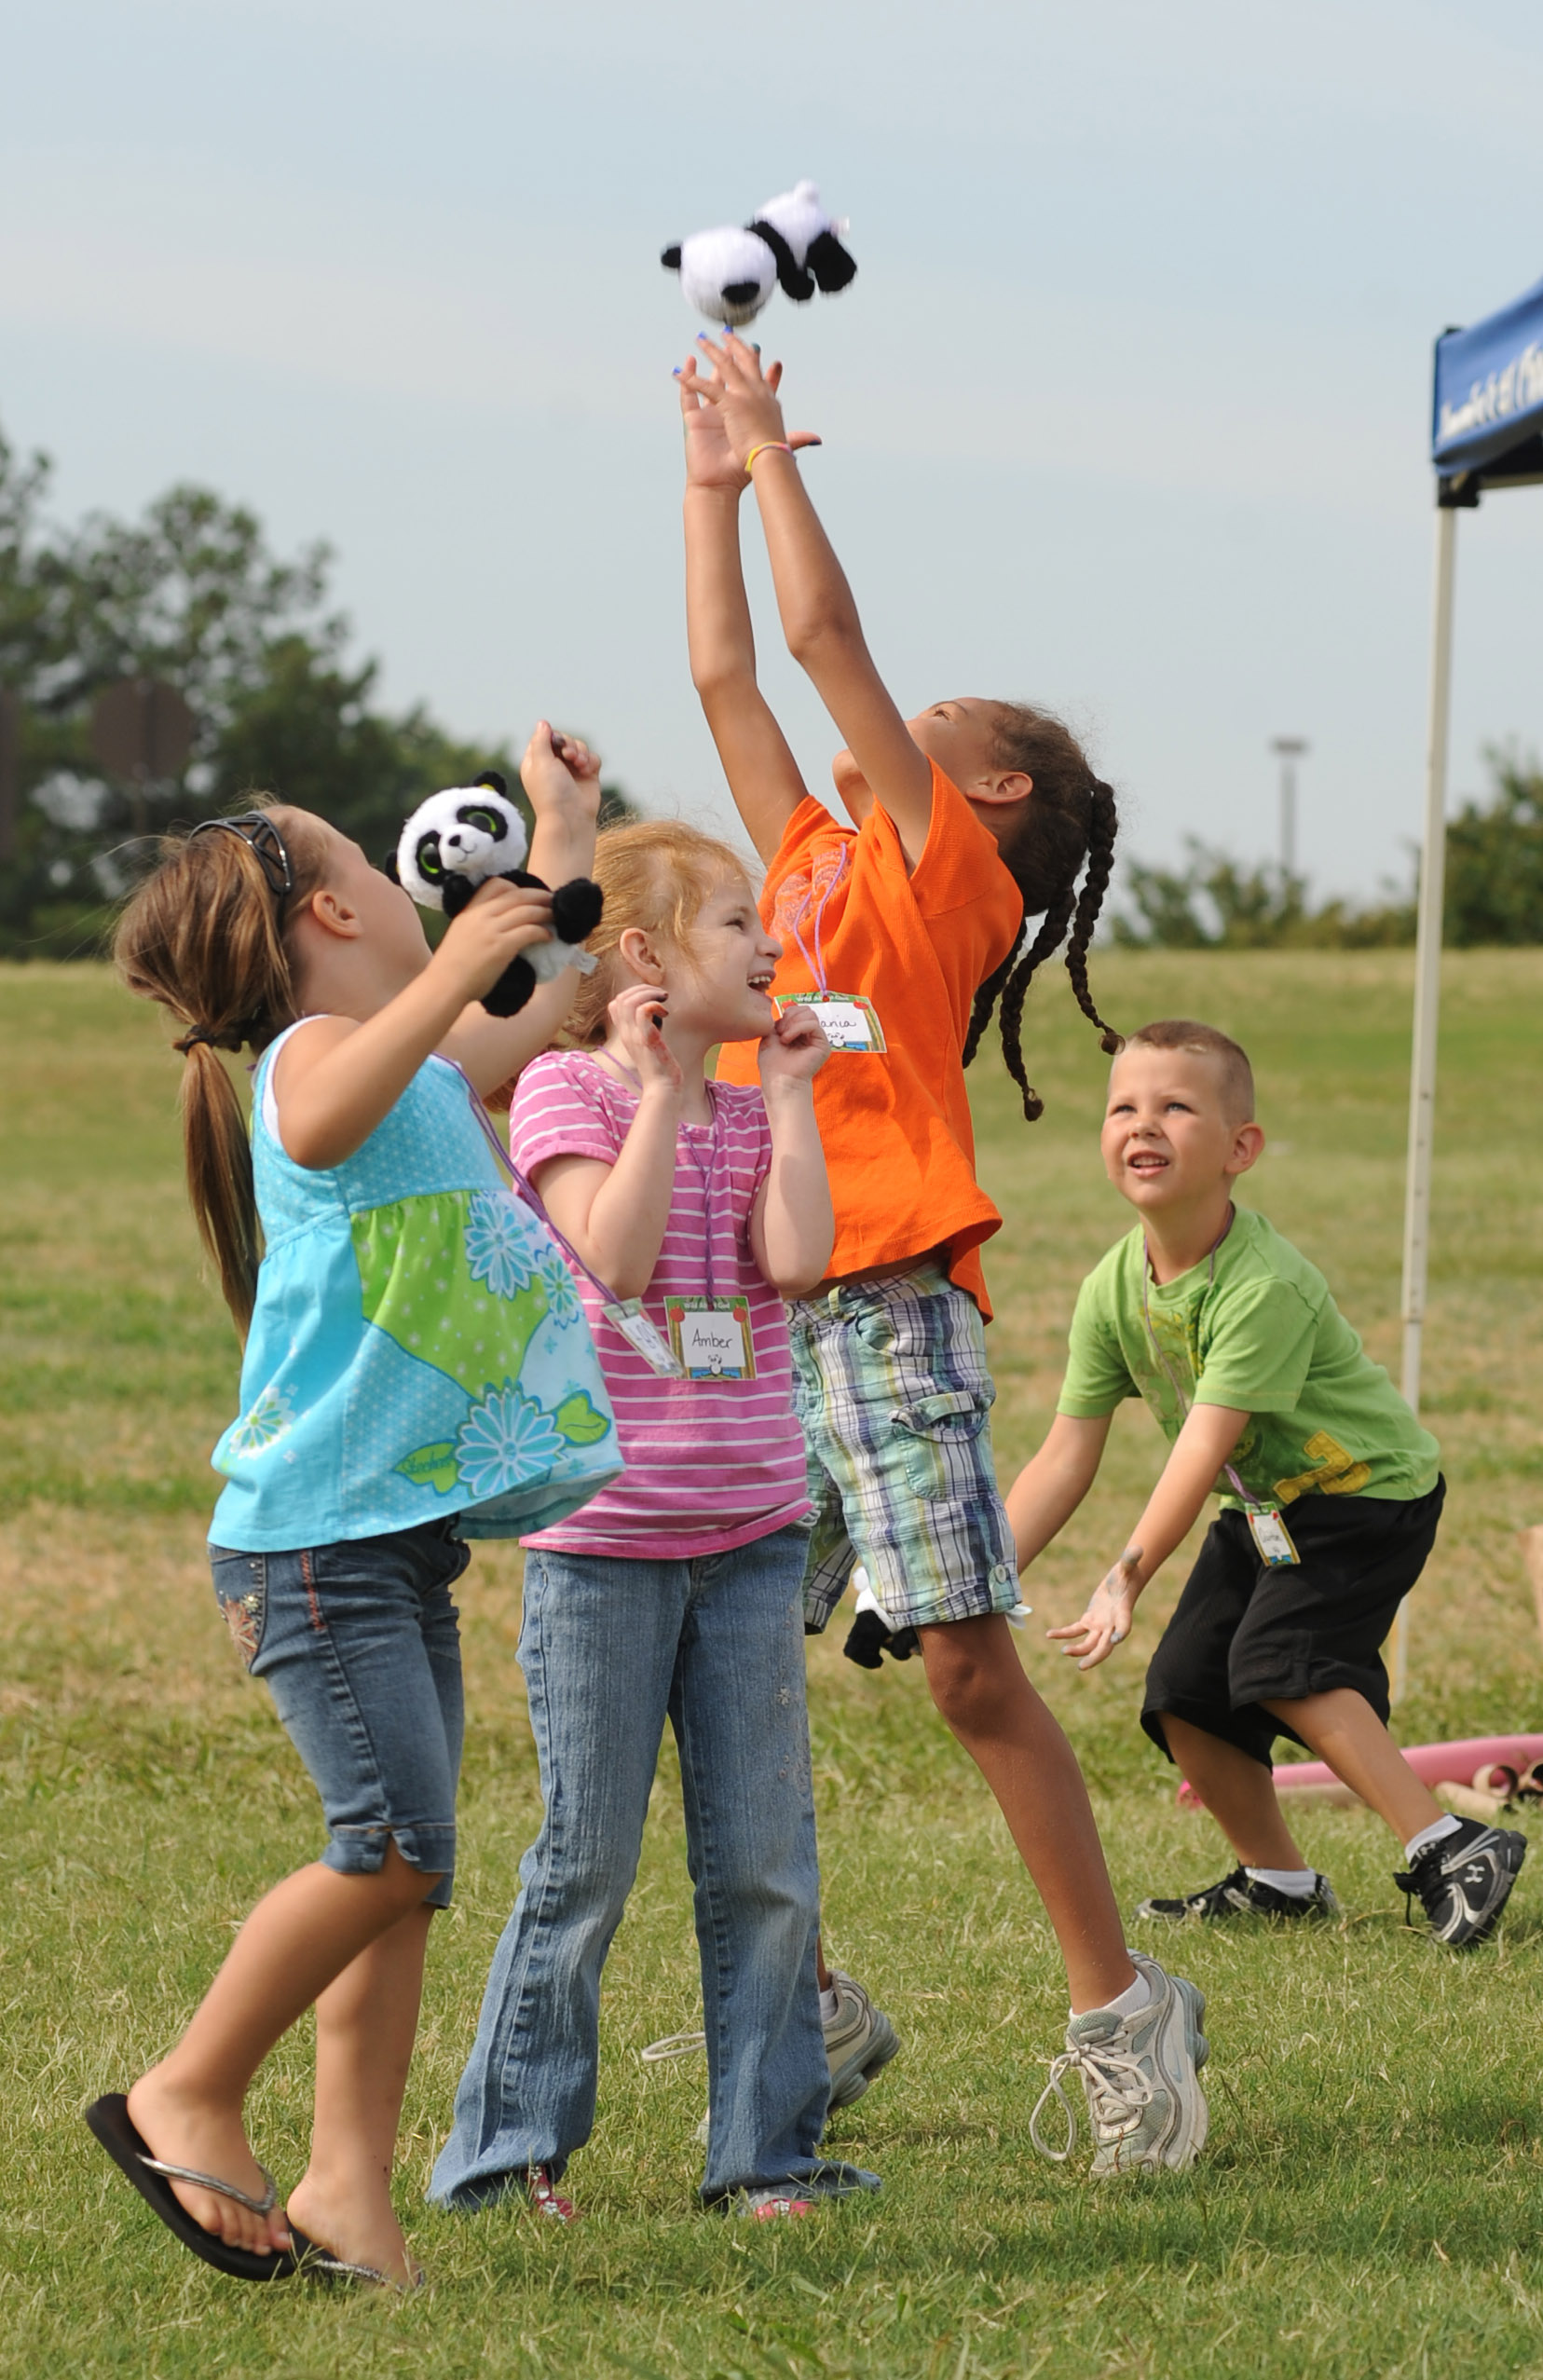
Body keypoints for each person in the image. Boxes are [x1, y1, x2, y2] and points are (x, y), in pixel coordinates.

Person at [674, 334, 1209, 2177]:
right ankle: (808, 2000)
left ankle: (1124, 2006)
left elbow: (824, 643)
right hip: (772, 1316)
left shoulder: (948, 880)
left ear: (980, 797)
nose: (909, 714)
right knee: (704, 1644)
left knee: (974, 1672)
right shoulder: (817, 850)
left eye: (941, 722)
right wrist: (703, 484)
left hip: (892, 1308)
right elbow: (734, 667)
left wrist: (775, 456)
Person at [88, 730, 621, 2289]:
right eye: (375, 874)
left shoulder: (428, 1064)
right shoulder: (312, 1063)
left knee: (411, 1864)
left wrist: (568, 829)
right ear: (329, 917)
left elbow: (555, 1009)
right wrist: (461, 956)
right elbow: (326, 1120)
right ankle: (187, 2084)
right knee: (385, 1845)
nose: (408, 891)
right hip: (311, 1543)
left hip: (385, 1541)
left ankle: (346, 2186)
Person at [430, 820, 881, 2221]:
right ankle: (508, 2156)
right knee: (587, 1859)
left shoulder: (753, 1108)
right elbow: (613, 1257)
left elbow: (799, 1266)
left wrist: (788, 1100)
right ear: (644, 958)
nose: (768, 947)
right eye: (738, 922)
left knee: (764, 1862)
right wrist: (662, 1094)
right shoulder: (565, 1089)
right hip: (605, 1548)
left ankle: (768, 2151)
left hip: (748, 1536)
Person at [1008, 1017, 1528, 1949]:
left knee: (1285, 1667)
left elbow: (1201, 1449)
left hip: (1366, 1494)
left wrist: (1126, 1572)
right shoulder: (1110, 1287)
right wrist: (973, 1578)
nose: (1143, 1124)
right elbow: (1064, 1453)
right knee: (1186, 1694)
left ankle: (1451, 1846)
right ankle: (1279, 1880)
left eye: (1176, 1106)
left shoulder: (1260, 1286)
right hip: (1269, 1508)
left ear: (1240, 1148)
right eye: (1123, 1105)